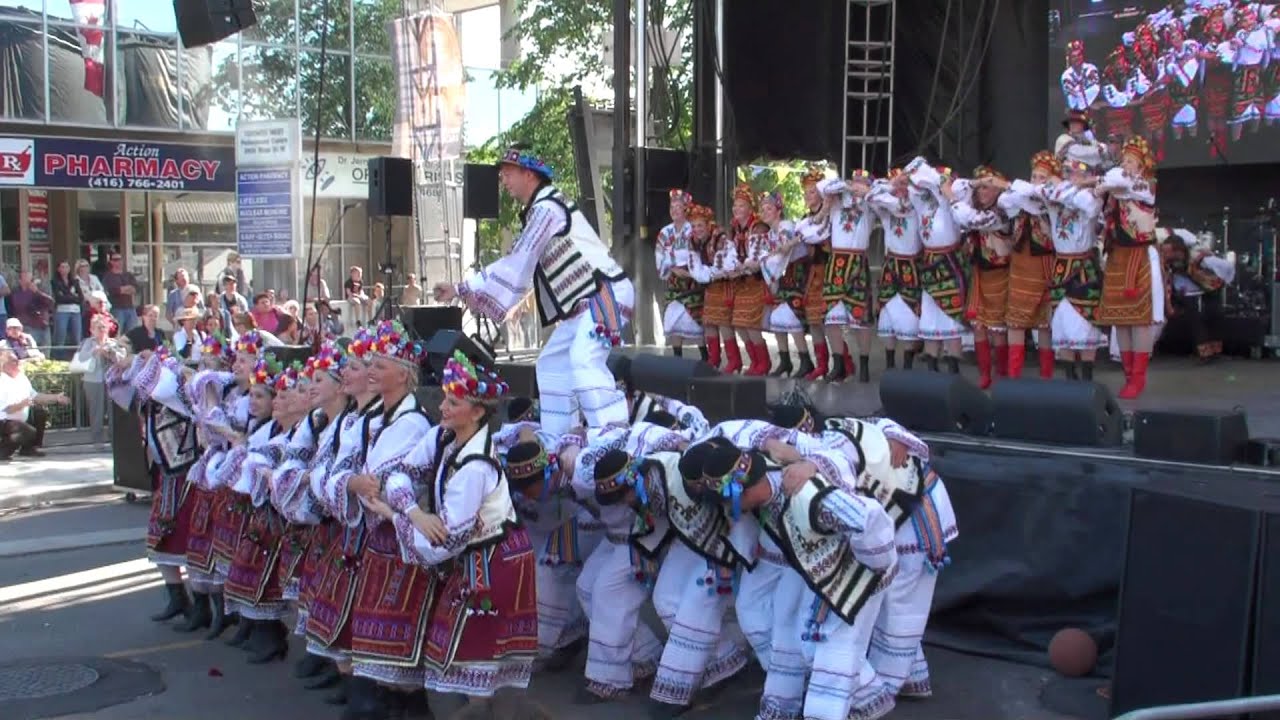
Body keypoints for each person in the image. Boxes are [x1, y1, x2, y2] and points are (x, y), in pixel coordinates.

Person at [363, 351, 539, 706]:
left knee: (472, 659)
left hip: (493, 561)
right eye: (445, 398)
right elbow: (398, 475)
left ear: (477, 413)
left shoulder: (475, 468)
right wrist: (414, 512)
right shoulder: (442, 438)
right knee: (455, 657)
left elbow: (444, 542)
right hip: (472, 557)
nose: (442, 407)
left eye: (453, 402)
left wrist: (393, 515)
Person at [434, 144, 632, 434]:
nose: (503, 179)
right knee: (550, 364)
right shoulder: (540, 210)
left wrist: (461, 288)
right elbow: (521, 266)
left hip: (603, 295)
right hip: (582, 305)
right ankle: (559, 436)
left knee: (583, 359)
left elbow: (518, 261)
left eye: (508, 173)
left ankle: (612, 432)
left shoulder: (547, 209)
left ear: (529, 174)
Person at [1096, 136, 1164, 399]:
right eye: (1124, 160)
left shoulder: (1146, 185)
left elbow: (1119, 183)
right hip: (1117, 255)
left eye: (1131, 161)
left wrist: (1100, 183)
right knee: (1120, 319)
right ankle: (1127, 375)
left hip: (1139, 255)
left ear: (1142, 166)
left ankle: (1138, 377)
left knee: (1139, 319)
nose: (1126, 164)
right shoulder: (1117, 190)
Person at [949, 166, 1014, 389]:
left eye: (988, 188)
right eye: (980, 188)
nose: (982, 192)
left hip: (999, 274)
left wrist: (952, 199)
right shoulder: (976, 208)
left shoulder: (1001, 214)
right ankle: (984, 373)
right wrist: (971, 186)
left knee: (997, 329)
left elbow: (972, 220)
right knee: (979, 326)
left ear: (997, 191)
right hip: (979, 273)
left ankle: (1001, 374)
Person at [655, 189, 705, 360]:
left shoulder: (693, 229)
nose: (674, 210)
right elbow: (660, 254)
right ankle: (677, 358)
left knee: (695, 319)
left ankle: (706, 357)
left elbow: (700, 251)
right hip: (674, 278)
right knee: (672, 317)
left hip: (692, 278)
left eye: (678, 207)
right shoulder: (665, 232)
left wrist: (692, 271)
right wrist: (671, 268)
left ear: (686, 209)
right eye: (672, 207)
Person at [0, 350, 70, 459]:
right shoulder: (2, 380)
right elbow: (6, 410)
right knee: (27, 431)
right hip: (4, 421)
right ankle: (3, 451)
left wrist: (56, 397)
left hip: (19, 419)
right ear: (4, 365)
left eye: (17, 360)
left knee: (40, 412)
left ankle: (29, 448)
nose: (18, 363)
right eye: (13, 361)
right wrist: (22, 404)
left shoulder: (21, 377)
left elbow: (36, 396)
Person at [70, 315, 123, 444]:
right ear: (92, 329)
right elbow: (81, 358)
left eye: (104, 327)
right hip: (92, 380)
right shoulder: (87, 342)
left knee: (113, 410)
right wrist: (94, 351)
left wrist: (109, 354)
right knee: (96, 410)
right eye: (98, 327)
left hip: (111, 381)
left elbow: (122, 358)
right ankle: (97, 438)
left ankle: (114, 438)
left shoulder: (113, 343)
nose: (101, 330)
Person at [51, 261, 85, 358]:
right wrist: (73, 296)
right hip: (62, 311)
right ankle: (59, 359)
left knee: (77, 337)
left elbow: (81, 298)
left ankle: (77, 358)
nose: (65, 269)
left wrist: (66, 296)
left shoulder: (74, 281)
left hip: (76, 311)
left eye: (66, 267)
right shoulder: (55, 282)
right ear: (58, 269)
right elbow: (59, 298)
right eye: (62, 267)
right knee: (60, 336)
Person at [101, 251, 140, 331]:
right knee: (117, 332)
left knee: (132, 333)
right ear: (111, 262)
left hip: (130, 308)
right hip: (116, 309)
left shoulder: (128, 275)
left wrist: (122, 289)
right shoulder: (108, 277)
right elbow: (111, 291)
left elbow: (135, 289)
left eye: (120, 259)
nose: (119, 261)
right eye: (116, 260)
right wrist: (125, 289)